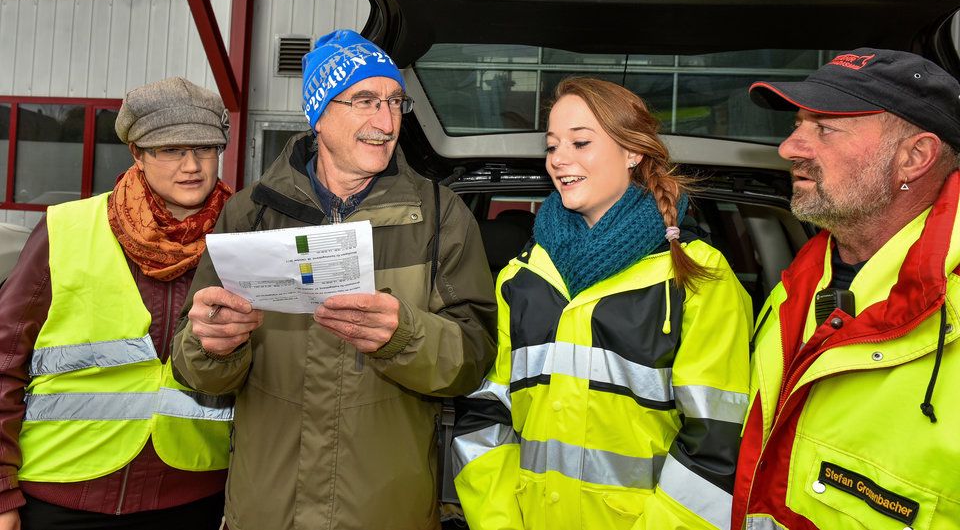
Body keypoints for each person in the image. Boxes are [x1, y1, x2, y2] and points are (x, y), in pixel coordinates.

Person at [170, 29, 497, 530]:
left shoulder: (438, 215)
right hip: (266, 511)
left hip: (388, 512)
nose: (386, 122)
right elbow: (201, 377)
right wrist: (211, 345)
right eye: (364, 100)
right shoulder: (250, 213)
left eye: (394, 102)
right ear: (319, 114)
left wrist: (406, 338)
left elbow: (472, 360)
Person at [452, 77, 752, 530]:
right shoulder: (520, 279)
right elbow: (488, 412)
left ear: (633, 152)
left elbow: (717, 443)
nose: (559, 160)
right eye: (552, 146)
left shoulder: (699, 278)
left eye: (580, 142)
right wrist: (500, 521)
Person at [733, 48, 960, 529]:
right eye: (798, 124)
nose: (789, 148)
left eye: (824, 127)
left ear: (914, 157)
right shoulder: (795, 288)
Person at [0, 77, 234, 529]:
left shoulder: (243, 238)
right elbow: (5, 359)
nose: (192, 165)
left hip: (193, 496)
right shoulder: (67, 230)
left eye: (205, 148)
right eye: (170, 150)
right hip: (60, 496)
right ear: (138, 155)